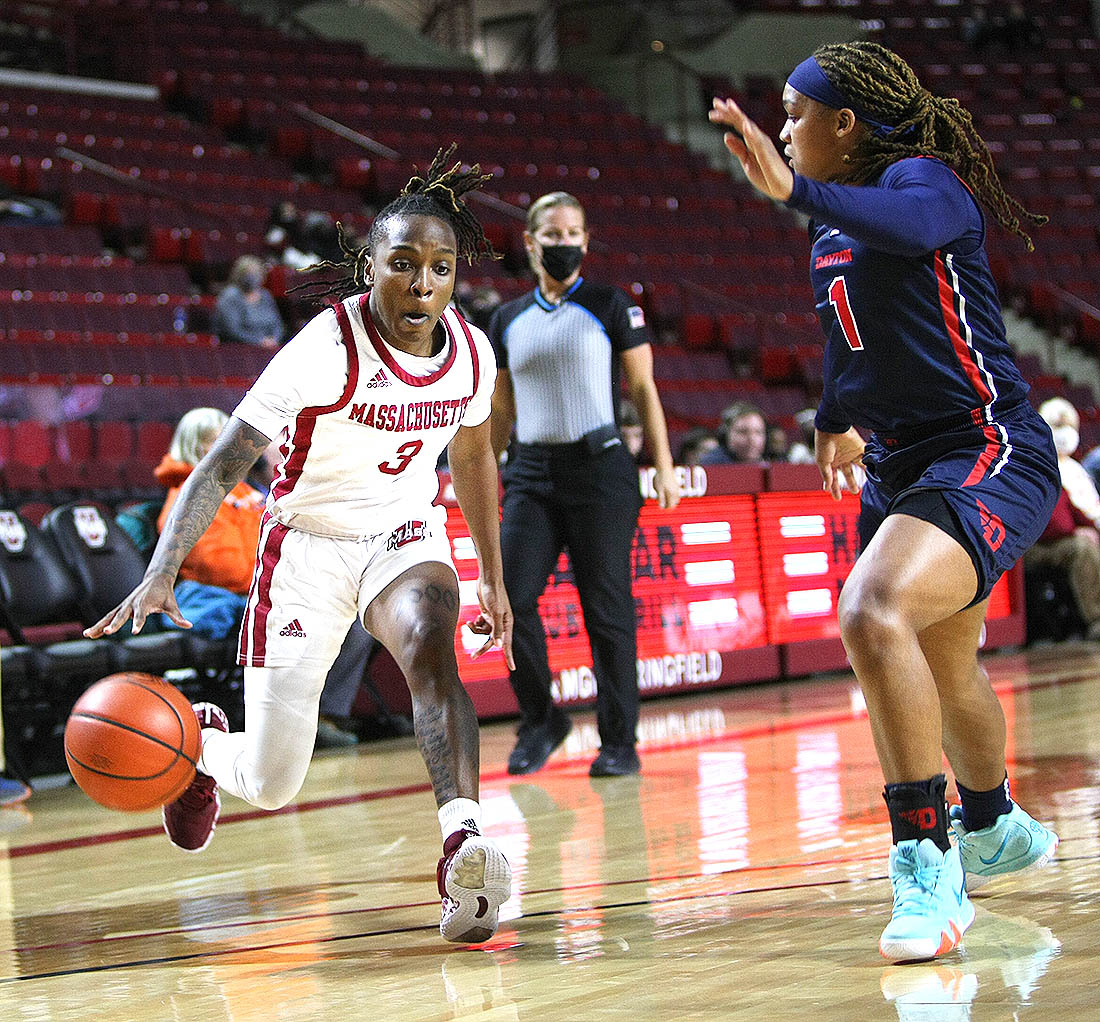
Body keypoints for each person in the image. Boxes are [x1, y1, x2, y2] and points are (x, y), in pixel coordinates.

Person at [86, 146, 515, 945]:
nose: (422, 282)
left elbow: (473, 455)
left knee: (430, 644)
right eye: (403, 264)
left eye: (441, 266)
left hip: (401, 530)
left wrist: (492, 577)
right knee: (277, 783)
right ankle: (206, 743)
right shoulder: (325, 347)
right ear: (370, 268)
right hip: (307, 551)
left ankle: (463, 843)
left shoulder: (472, 352)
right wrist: (161, 569)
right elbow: (224, 459)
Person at [710, 40, 1059, 963]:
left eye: (792, 115)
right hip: (897, 465)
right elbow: (848, 329)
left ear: (843, 123)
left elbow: (906, 233)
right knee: (944, 670)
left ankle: (927, 860)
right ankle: (993, 826)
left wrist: (793, 191)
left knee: (869, 611)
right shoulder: (831, 226)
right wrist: (833, 414)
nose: (783, 131)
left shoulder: (927, 183)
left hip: (987, 447)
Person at [487, 191, 681, 778]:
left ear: (586, 242)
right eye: (552, 233)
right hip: (530, 475)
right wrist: (484, 466)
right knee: (510, 599)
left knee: (606, 607)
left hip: (600, 470)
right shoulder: (506, 318)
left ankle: (619, 742)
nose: (564, 243)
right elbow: (500, 408)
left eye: (574, 233)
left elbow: (643, 389)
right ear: (530, 241)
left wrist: (665, 464)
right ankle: (543, 719)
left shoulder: (611, 304)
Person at [155, 408, 370, 746]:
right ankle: (289, 726)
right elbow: (217, 566)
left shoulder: (245, 492)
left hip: (268, 590)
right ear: (198, 447)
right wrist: (278, 583)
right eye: (220, 440)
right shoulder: (188, 495)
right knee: (300, 623)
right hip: (227, 597)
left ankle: (326, 715)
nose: (234, 447)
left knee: (355, 622)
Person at [1024, 397, 1100, 641]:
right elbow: (1051, 522)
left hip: (1062, 536)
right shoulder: (1036, 465)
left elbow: (1076, 512)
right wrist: (1075, 532)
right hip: (1036, 546)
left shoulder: (1075, 468)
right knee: (1082, 549)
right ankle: (1096, 619)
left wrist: (1090, 528)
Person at [212, 255, 285, 349]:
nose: (253, 277)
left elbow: (277, 324)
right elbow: (232, 330)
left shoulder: (265, 295)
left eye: (256, 273)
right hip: (239, 349)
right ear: (239, 275)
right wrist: (259, 341)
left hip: (269, 347)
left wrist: (274, 339)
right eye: (249, 273)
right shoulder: (230, 296)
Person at [699, 399, 768, 465]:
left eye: (758, 432)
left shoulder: (770, 462)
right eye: (743, 432)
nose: (752, 439)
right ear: (725, 434)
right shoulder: (711, 464)